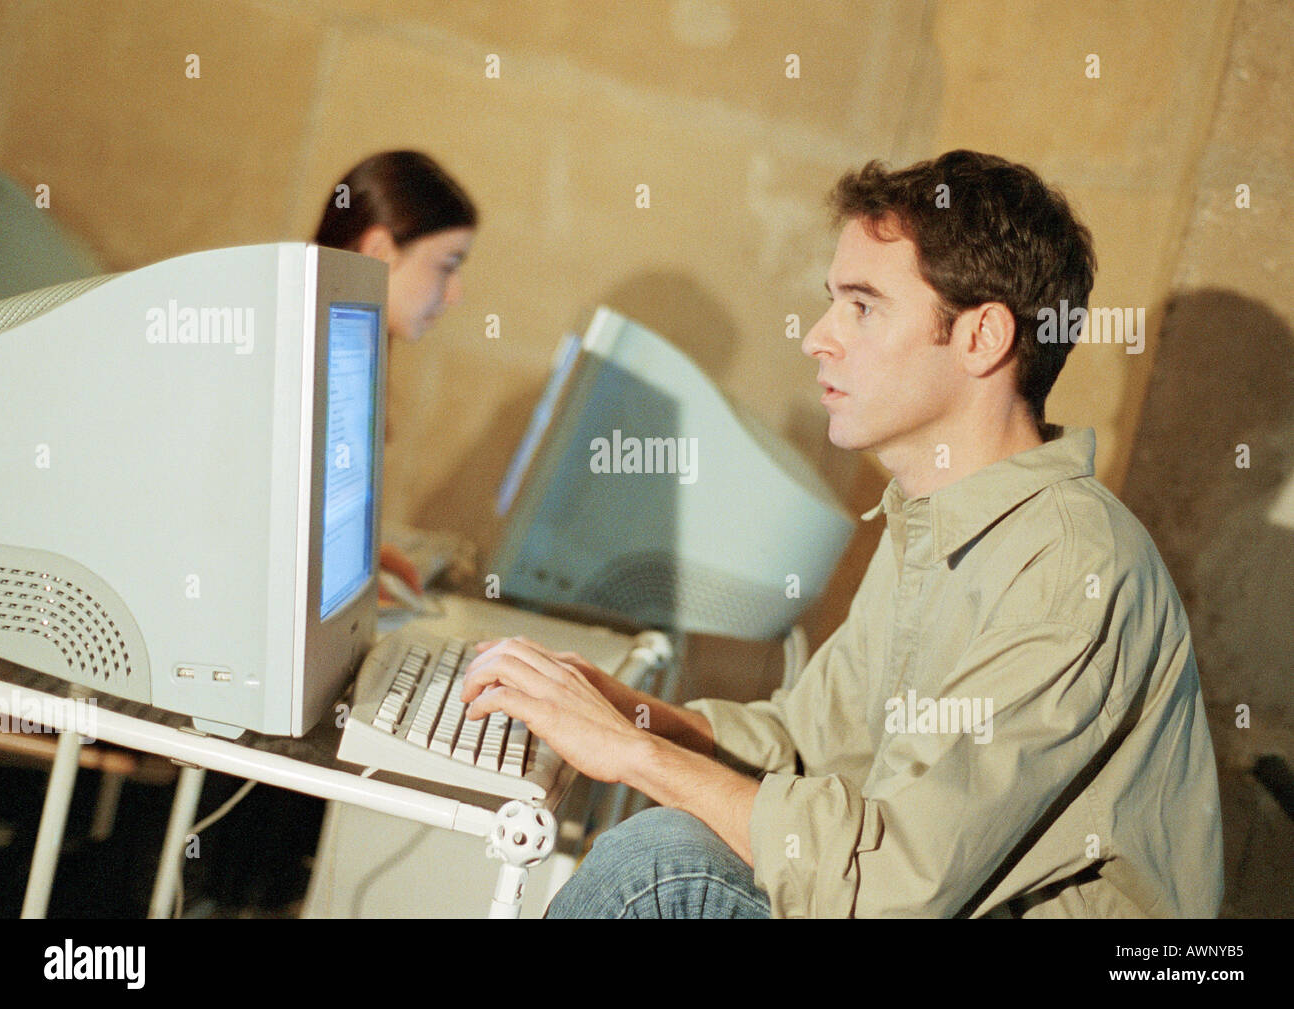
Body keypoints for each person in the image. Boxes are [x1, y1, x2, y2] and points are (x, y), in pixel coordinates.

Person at [458, 150, 1225, 918]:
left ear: (983, 337)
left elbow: (894, 884)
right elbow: (805, 746)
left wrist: (634, 754)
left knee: (663, 864)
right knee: (670, 841)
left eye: (862, 305)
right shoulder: (931, 518)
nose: (818, 338)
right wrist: (627, 711)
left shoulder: (1070, 567)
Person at [314, 150, 479, 598]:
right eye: (447, 265)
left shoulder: (345, 362)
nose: (455, 295)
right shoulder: (295, 371)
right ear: (380, 252)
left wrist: (345, 556)